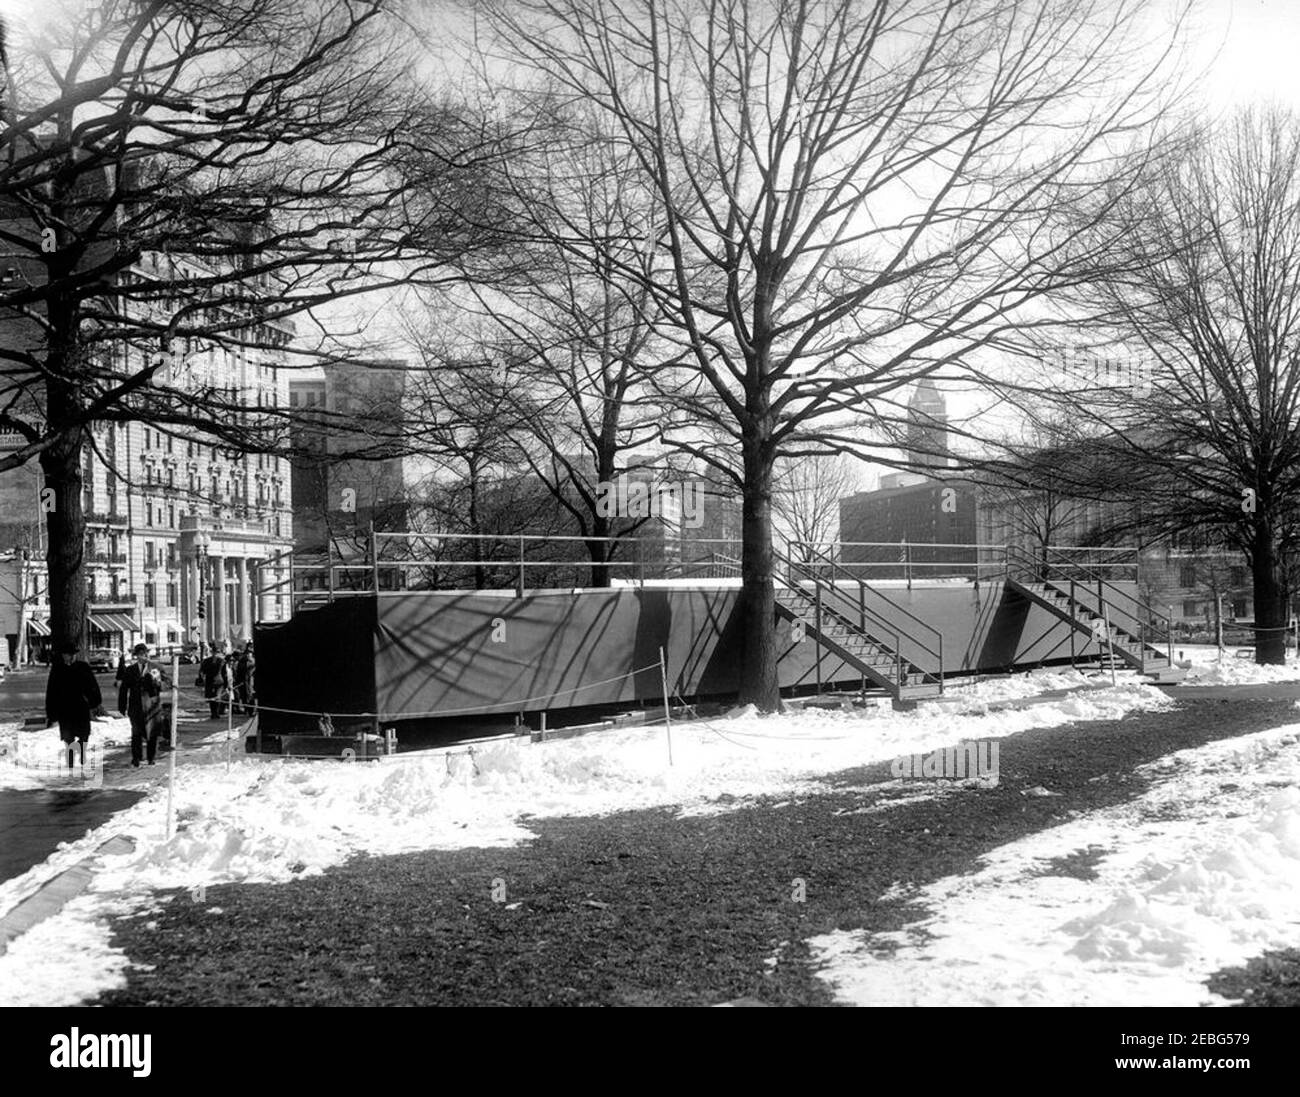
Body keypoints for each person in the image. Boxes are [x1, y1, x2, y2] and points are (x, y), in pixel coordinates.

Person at [45, 640, 102, 771]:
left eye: (71, 654)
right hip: (64, 708)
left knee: (84, 734)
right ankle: (70, 764)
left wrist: (95, 701)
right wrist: (51, 713)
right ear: (63, 655)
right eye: (66, 654)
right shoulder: (57, 669)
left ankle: (82, 752)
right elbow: (51, 691)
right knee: (68, 737)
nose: (69, 657)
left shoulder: (83, 667)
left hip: (81, 707)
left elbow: (92, 685)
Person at [118, 643, 168, 767]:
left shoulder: (156, 668)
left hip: (152, 707)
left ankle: (151, 757)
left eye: (145, 654)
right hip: (135, 707)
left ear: (148, 654)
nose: (143, 656)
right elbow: (124, 689)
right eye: (140, 654)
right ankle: (136, 758)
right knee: (136, 734)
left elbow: (167, 684)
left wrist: (158, 682)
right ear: (136, 656)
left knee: (152, 733)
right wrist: (122, 706)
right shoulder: (130, 670)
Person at [196, 641, 230, 720]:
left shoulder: (220, 661)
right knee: (212, 698)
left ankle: (215, 713)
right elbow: (202, 671)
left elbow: (224, 673)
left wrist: (226, 684)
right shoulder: (211, 661)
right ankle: (214, 713)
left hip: (217, 682)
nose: (215, 654)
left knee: (216, 697)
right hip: (212, 681)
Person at [232, 640, 256, 716]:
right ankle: (248, 710)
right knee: (246, 696)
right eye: (248, 653)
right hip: (244, 682)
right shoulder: (243, 661)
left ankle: (250, 710)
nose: (249, 655)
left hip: (249, 682)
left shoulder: (251, 661)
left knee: (250, 696)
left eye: (250, 654)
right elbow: (240, 672)